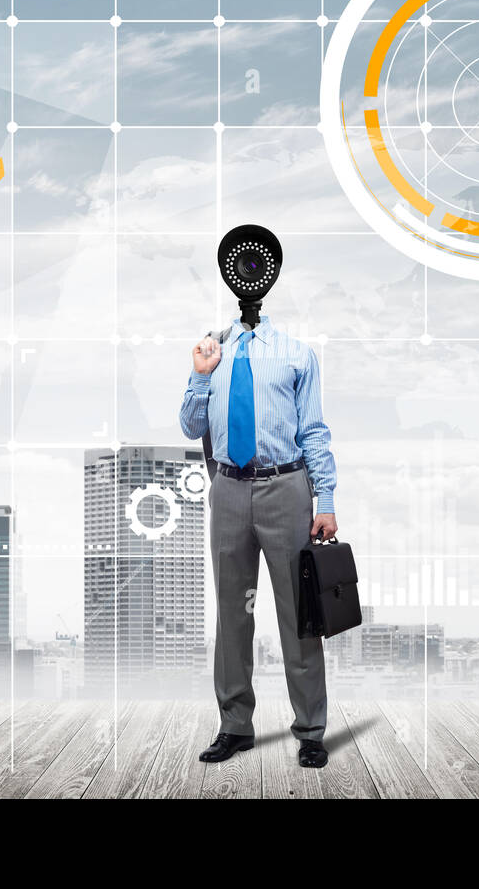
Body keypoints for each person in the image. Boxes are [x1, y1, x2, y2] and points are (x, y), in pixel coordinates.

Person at [179, 314, 338, 769]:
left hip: (286, 488)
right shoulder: (213, 352)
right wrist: (199, 374)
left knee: (300, 613)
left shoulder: (296, 353)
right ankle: (234, 727)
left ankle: (310, 731)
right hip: (228, 489)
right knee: (233, 614)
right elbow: (191, 427)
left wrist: (323, 499)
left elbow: (312, 430)